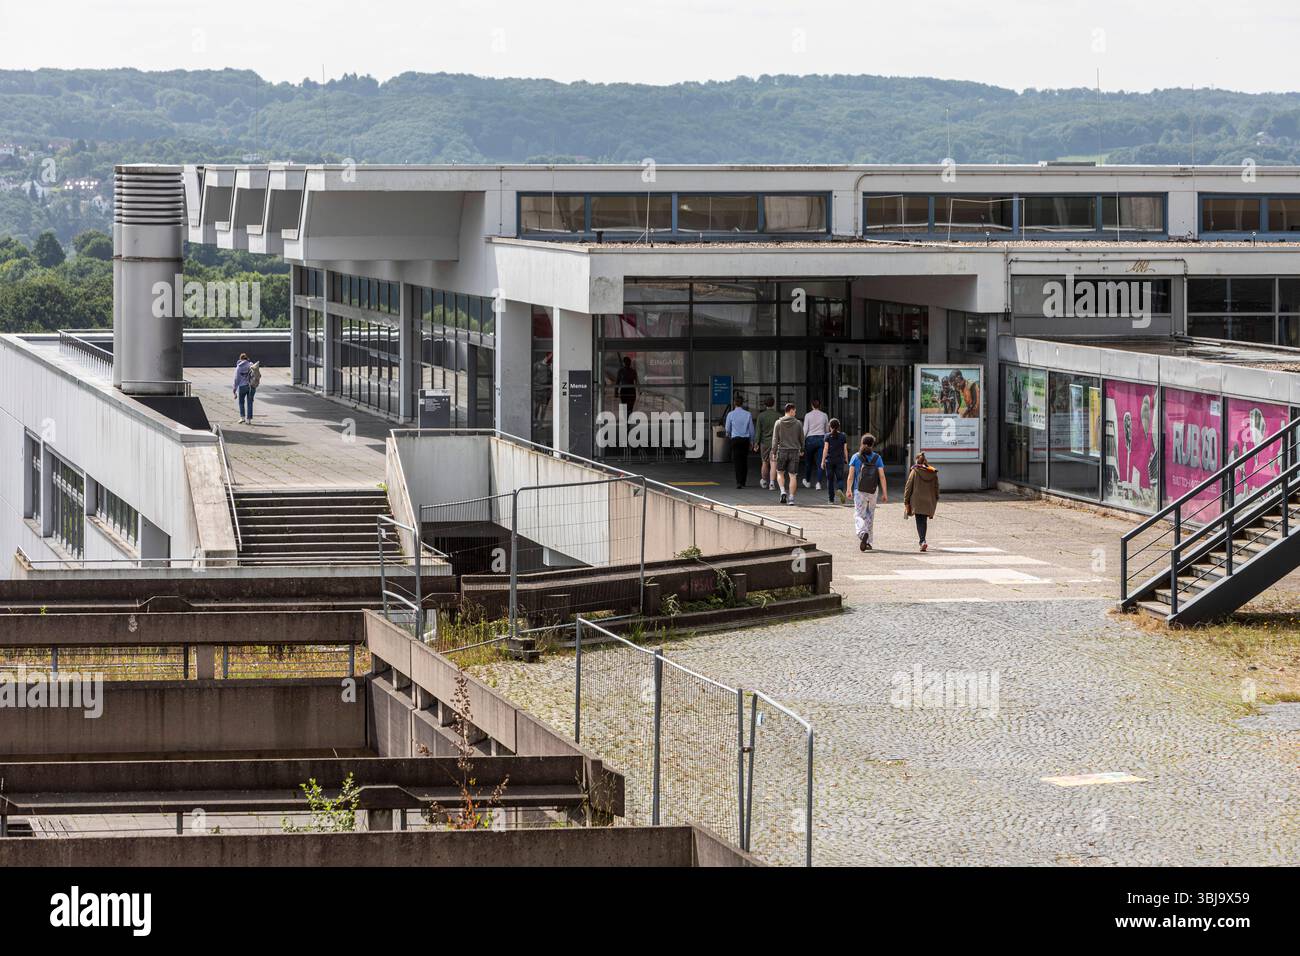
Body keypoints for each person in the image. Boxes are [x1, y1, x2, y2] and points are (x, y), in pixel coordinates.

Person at [847, 433, 888, 551]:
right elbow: (882, 476)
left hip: (859, 490)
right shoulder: (877, 458)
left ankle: (862, 532)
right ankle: (869, 542)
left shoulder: (856, 457)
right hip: (873, 491)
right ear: (872, 445)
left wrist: (848, 489)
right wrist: (884, 493)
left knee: (859, 514)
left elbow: (850, 476)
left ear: (862, 443)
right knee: (870, 515)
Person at [903, 452, 940, 552]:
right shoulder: (933, 472)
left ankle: (922, 541)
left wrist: (906, 501)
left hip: (917, 501)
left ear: (916, 460)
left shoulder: (915, 471)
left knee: (920, 521)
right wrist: (935, 499)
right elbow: (936, 488)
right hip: (928, 501)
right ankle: (922, 540)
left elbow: (908, 487)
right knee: (923, 520)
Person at [770, 403, 804, 505]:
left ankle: (783, 491)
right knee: (793, 476)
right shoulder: (798, 423)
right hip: (794, 451)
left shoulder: (778, 423)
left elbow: (775, 439)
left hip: (782, 451)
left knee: (780, 472)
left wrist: (774, 451)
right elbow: (802, 438)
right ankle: (791, 498)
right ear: (791, 410)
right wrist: (802, 449)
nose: (795, 413)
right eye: (795, 411)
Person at [724, 396, 755, 489]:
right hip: (745, 440)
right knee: (744, 460)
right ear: (742, 403)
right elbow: (751, 430)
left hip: (735, 439)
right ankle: (743, 481)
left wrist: (729, 435)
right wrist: (752, 440)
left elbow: (727, 429)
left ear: (734, 403)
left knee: (737, 461)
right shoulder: (748, 414)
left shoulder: (730, 414)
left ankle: (738, 482)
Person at [802, 399, 829, 491]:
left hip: (810, 439)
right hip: (821, 439)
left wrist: (802, 441)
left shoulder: (808, 415)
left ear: (811, 405)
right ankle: (818, 483)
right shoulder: (824, 415)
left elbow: (805, 429)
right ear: (820, 405)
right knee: (820, 463)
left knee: (808, 462)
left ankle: (808, 481)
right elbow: (826, 429)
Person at [820, 418, 849, 504]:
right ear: (838, 426)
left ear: (830, 426)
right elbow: (845, 449)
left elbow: (825, 449)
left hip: (829, 460)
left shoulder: (827, 436)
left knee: (830, 480)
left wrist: (822, 461)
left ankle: (831, 499)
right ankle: (840, 490)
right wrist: (846, 459)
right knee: (840, 479)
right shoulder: (843, 436)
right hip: (839, 460)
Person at [755, 396, 780, 490]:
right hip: (775, 443)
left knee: (765, 462)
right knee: (774, 463)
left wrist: (756, 443)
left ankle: (764, 481)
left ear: (765, 404)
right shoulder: (778, 415)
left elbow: (758, 431)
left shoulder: (761, 416)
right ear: (773, 404)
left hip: (764, 443)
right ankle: (772, 483)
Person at [233, 352, 255, 423]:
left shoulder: (239, 367)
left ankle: (242, 418)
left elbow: (236, 379)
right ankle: (249, 420)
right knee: (250, 402)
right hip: (251, 386)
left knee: (241, 402)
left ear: (240, 359)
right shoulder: (251, 365)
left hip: (242, 387)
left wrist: (234, 389)